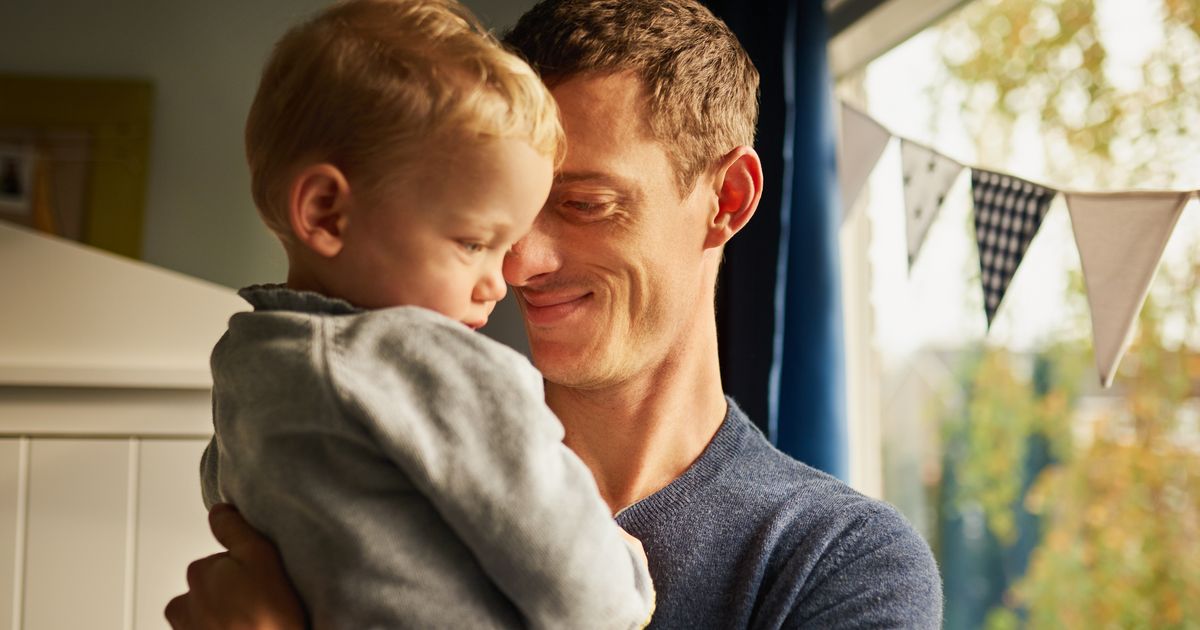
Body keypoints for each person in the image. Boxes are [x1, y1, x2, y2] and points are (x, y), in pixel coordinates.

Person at [167, 0, 944, 628]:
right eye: (494, 226)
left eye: (584, 204)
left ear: (727, 199)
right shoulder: (343, 447)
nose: (516, 266)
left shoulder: (838, 562)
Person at [188, 0, 656, 628]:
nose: (500, 280)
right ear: (326, 212)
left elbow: (226, 505)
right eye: (472, 244)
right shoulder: (431, 365)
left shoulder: (248, 360)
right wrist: (625, 571)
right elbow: (585, 599)